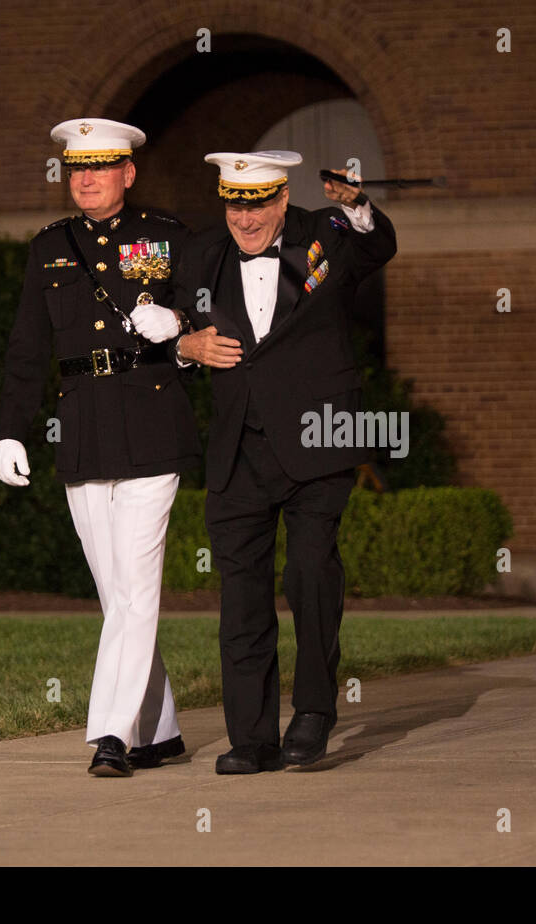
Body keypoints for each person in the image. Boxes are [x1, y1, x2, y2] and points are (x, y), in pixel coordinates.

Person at [172, 150, 396, 773]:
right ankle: (251, 739)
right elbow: (166, 325)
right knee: (242, 595)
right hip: (238, 449)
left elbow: (378, 249)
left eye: (258, 205)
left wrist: (356, 205)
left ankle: (315, 711)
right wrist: (187, 347)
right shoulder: (200, 253)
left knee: (308, 574)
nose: (245, 219)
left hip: (319, 438)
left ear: (281, 199)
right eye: (234, 205)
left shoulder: (325, 234)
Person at [0, 118, 200, 777]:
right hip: (82, 422)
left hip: (149, 417)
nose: (85, 177)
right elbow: (27, 348)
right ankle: (161, 730)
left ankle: (112, 734)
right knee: (118, 593)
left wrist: (181, 325)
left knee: (136, 589)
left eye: (101, 165)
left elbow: (213, 312)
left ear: (128, 172)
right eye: (75, 166)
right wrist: (9, 428)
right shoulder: (48, 247)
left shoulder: (165, 237)